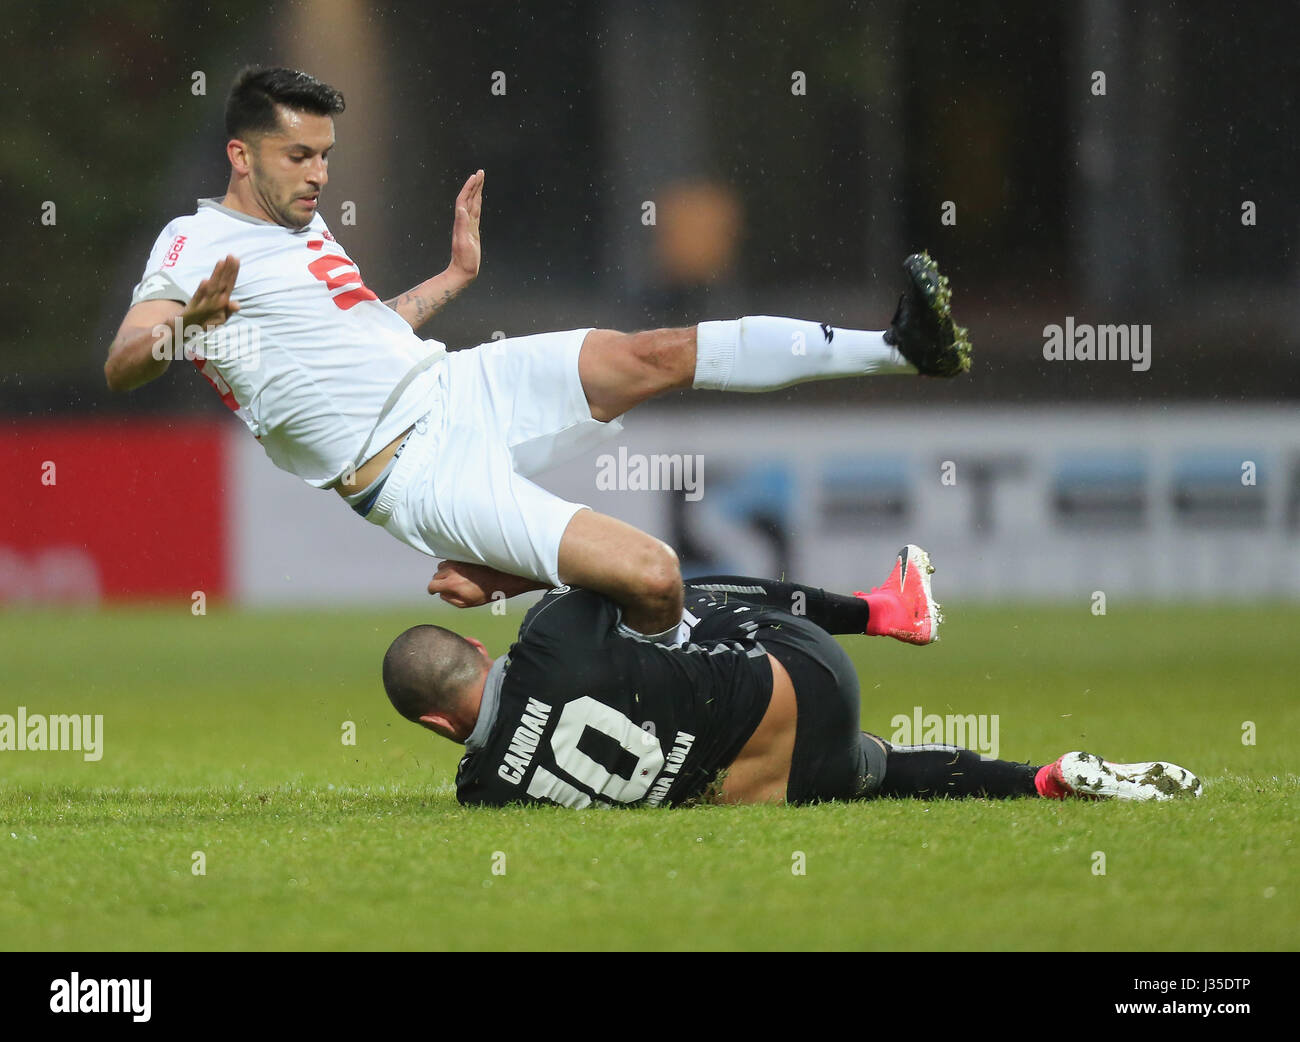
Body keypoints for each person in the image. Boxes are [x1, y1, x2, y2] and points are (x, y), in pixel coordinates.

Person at [105, 67, 972, 641]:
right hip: (412, 470)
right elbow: (125, 361)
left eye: (325, 156)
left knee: (652, 352)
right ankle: (737, 690)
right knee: (652, 576)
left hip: (453, 384)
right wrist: (187, 327)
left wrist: (453, 277)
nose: (318, 174)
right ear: (239, 154)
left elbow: (364, 334)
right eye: (298, 156)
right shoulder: (194, 242)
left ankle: (901, 348)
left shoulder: (303, 223)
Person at [381, 546, 1203, 807]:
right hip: (809, 679)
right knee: (674, 587)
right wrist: (506, 581)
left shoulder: (481, 791)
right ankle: (886, 612)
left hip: (776, 780)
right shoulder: (549, 637)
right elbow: (633, 569)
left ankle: (1042, 782)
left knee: (874, 772)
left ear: (434, 725)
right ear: (479, 651)